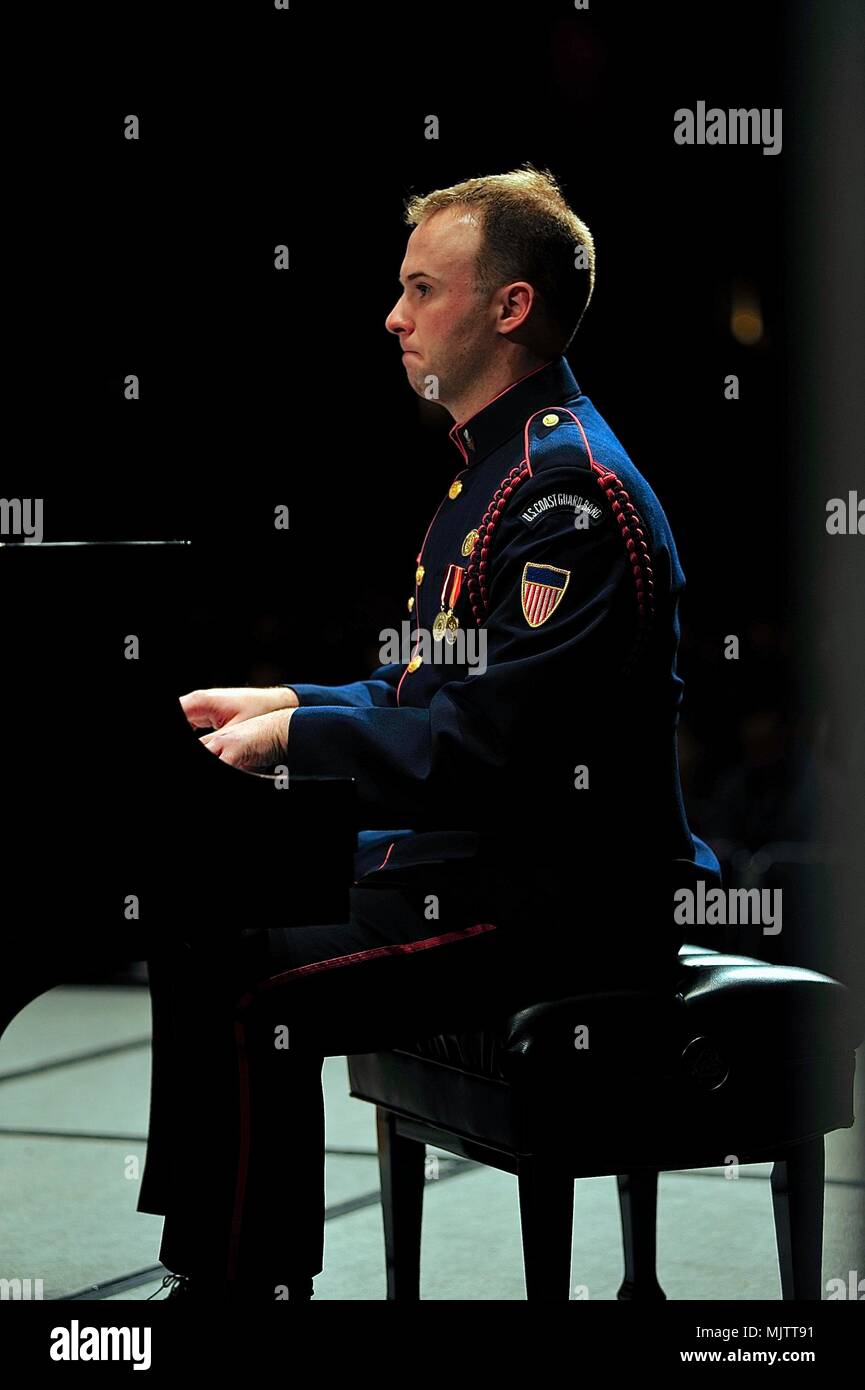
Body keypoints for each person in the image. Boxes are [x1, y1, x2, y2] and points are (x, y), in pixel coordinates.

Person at [137, 163, 720, 1299]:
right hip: (492, 865)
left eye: (420, 288)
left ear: (508, 307)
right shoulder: (492, 476)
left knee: (251, 973)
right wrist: (293, 705)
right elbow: (421, 691)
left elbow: (493, 741)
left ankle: (242, 1289)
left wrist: (292, 746)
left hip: (569, 898)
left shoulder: (567, 493)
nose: (392, 316)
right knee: (203, 903)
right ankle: (204, 1254)